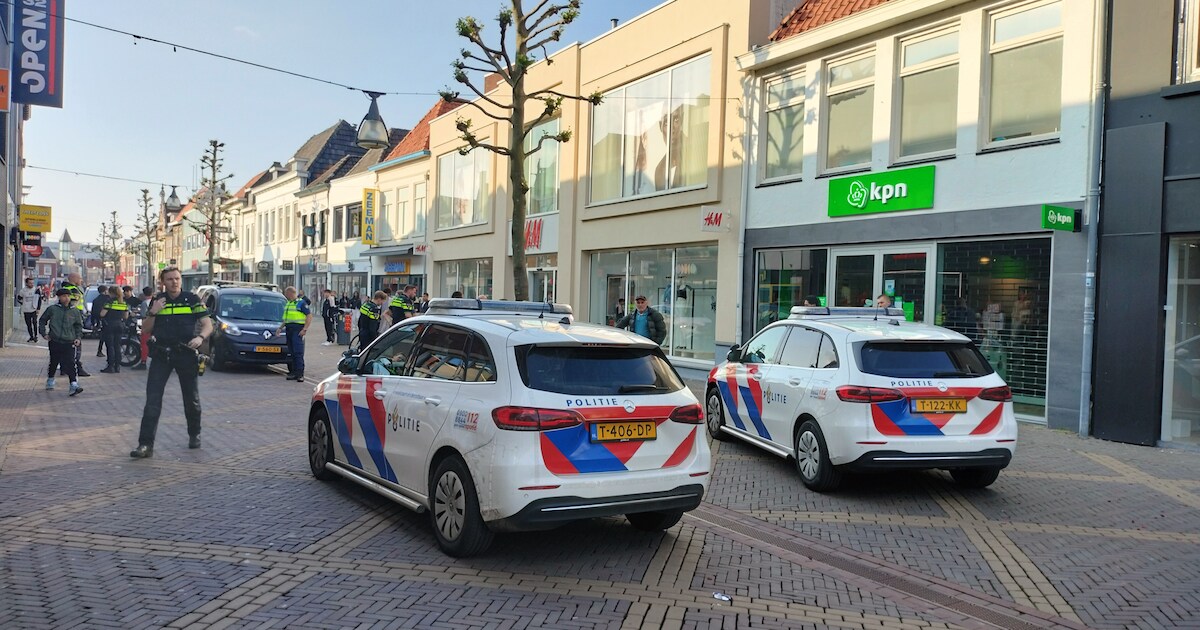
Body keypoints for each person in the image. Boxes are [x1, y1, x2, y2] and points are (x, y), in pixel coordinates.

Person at [130, 266, 212, 458]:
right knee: (152, 400)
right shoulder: (158, 300)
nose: (174, 282)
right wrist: (154, 312)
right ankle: (145, 445)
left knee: (191, 399)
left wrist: (200, 337)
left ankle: (194, 433)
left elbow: (208, 324)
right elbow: (146, 329)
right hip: (162, 355)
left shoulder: (192, 299)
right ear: (163, 282)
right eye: (170, 279)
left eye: (177, 278)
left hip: (186, 354)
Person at [39, 288, 85, 396]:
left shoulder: (74, 311)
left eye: (68, 296)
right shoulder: (52, 309)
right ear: (59, 297)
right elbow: (42, 320)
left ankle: (73, 384)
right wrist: (44, 333)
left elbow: (78, 325)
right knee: (54, 361)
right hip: (55, 340)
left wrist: (78, 337)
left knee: (71, 363)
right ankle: (50, 379)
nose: (67, 298)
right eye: (64, 296)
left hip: (69, 341)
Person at [276, 286, 312, 383]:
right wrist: (280, 328)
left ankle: (300, 374)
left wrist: (305, 329)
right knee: (292, 352)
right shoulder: (289, 303)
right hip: (289, 329)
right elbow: (286, 319)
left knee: (298, 352)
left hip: (297, 329)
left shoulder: (301, 303)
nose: (286, 296)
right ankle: (293, 372)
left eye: (286, 294)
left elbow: (309, 316)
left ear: (290, 293)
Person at [60, 273, 90, 377]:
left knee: (66, 343)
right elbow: (72, 305)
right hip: (74, 319)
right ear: (73, 278)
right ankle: (76, 367)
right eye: (79, 278)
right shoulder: (73, 290)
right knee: (76, 343)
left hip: (69, 319)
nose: (81, 280)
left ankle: (64, 367)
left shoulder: (66, 288)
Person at [98, 286, 129, 373]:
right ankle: (117, 366)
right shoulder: (123, 302)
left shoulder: (110, 302)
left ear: (112, 293)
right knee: (117, 345)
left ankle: (110, 366)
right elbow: (126, 316)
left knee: (110, 346)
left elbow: (102, 314)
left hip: (110, 325)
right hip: (120, 325)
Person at [132, 287, 155, 371]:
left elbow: (144, 315)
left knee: (144, 344)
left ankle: (143, 362)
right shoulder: (156, 302)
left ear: (144, 294)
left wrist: (135, 315)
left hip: (147, 325)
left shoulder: (145, 303)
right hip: (156, 326)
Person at [18, 277, 43, 343]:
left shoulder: (36, 290)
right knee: (28, 324)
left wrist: (38, 308)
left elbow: (39, 300)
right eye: (30, 283)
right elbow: (19, 298)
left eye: (32, 283)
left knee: (34, 322)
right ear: (26, 283)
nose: (31, 284)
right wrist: (23, 303)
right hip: (26, 310)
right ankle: (31, 336)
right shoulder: (23, 291)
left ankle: (36, 336)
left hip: (34, 309)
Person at [92, 284, 111, 358]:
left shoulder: (95, 300)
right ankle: (108, 352)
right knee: (108, 337)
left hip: (99, 320)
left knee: (102, 337)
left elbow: (93, 312)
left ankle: (99, 350)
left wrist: (93, 322)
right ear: (105, 291)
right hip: (107, 319)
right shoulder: (108, 299)